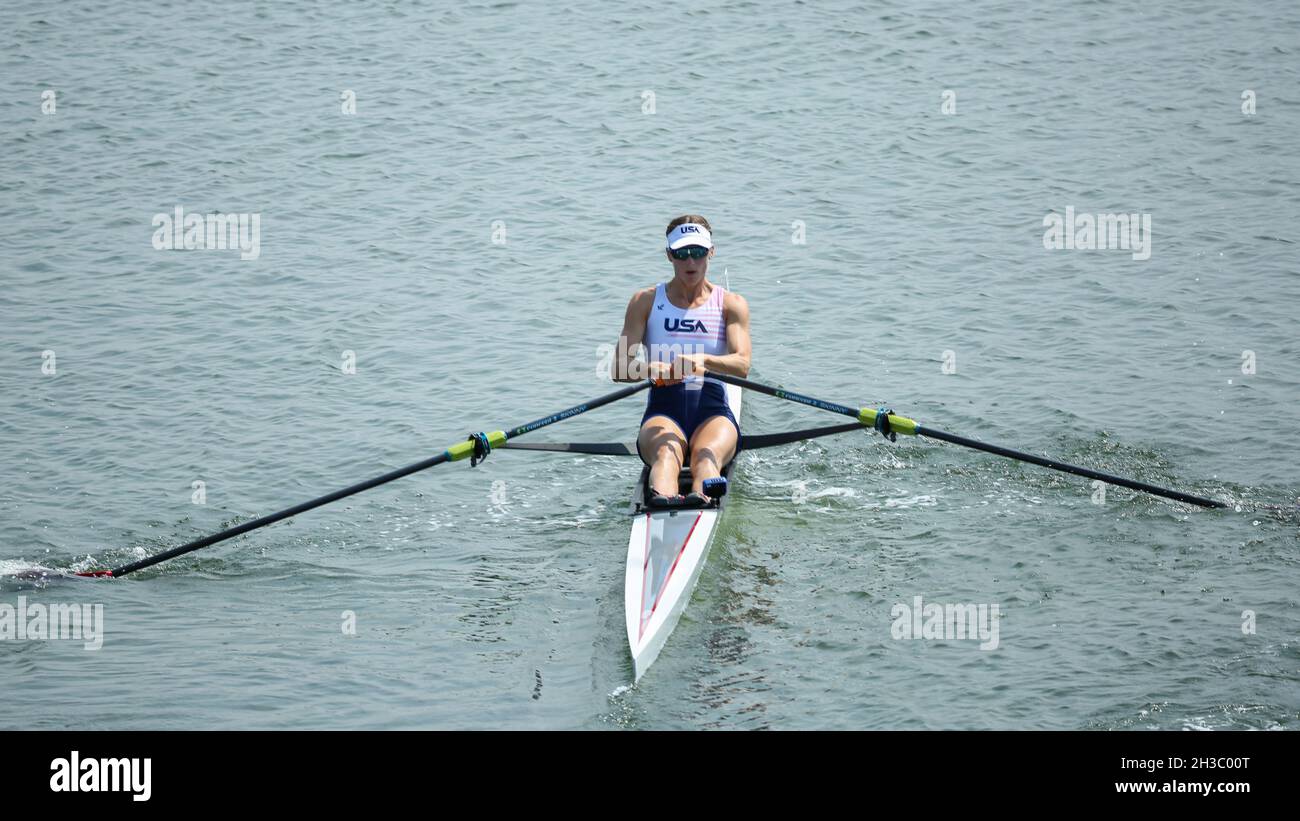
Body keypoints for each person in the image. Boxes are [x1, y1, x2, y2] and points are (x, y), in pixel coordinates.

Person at [612, 215, 751, 507]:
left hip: (712, 408)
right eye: (682, 253)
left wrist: (702, 362)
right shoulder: (644, 301)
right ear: (669, 255)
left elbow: (742, 364)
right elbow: (618, 367)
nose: (691, 262)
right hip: (664, 407)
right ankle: (662, 503)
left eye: (698, 252)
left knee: (705, 456)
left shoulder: (730, 304)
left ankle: (700, 502)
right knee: (666, 453)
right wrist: (656, 368)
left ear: (711, 252)